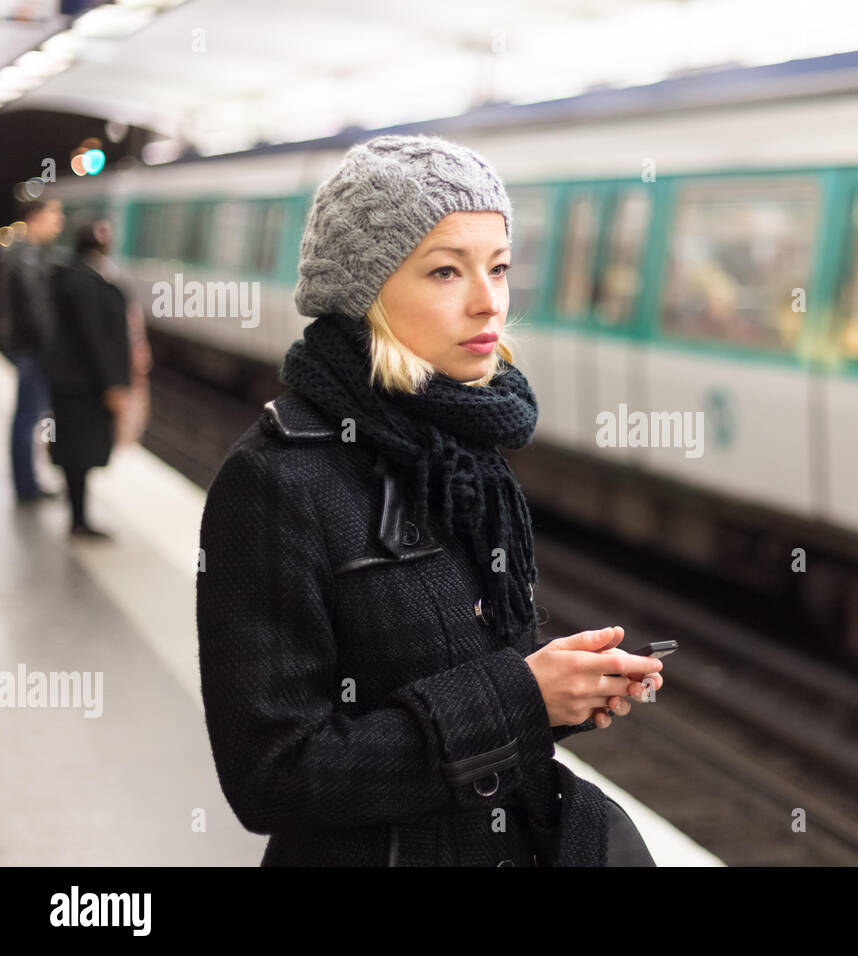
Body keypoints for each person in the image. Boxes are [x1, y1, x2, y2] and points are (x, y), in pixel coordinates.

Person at [196, 134, 664, 866]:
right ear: (365, 290)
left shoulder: (465, 458)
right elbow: (272, 777)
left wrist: (559, 691)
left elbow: (465, 691)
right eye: (446, 271)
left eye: (500, 268)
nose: (490, 302)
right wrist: (519, 697)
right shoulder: (275, 483)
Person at [46, 218, 132, 539]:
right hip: (82, 385)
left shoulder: (77, 275)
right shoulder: (84, 281)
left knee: (74, 452)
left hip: (75, 383)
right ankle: (79, 520)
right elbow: (93, 337)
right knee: (78, 453)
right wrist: (111, 383)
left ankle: (78, 516)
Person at [0, 196, 64, 502]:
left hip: (23, 346)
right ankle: (26, 485)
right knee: (27, 417)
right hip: (30, 348)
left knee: (27, 416)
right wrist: (56, 348)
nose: (59, 221)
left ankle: (28, 481)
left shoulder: (27, 253)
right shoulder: (27, 256)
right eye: (55, 213)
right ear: (35, 217)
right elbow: (37, 312)